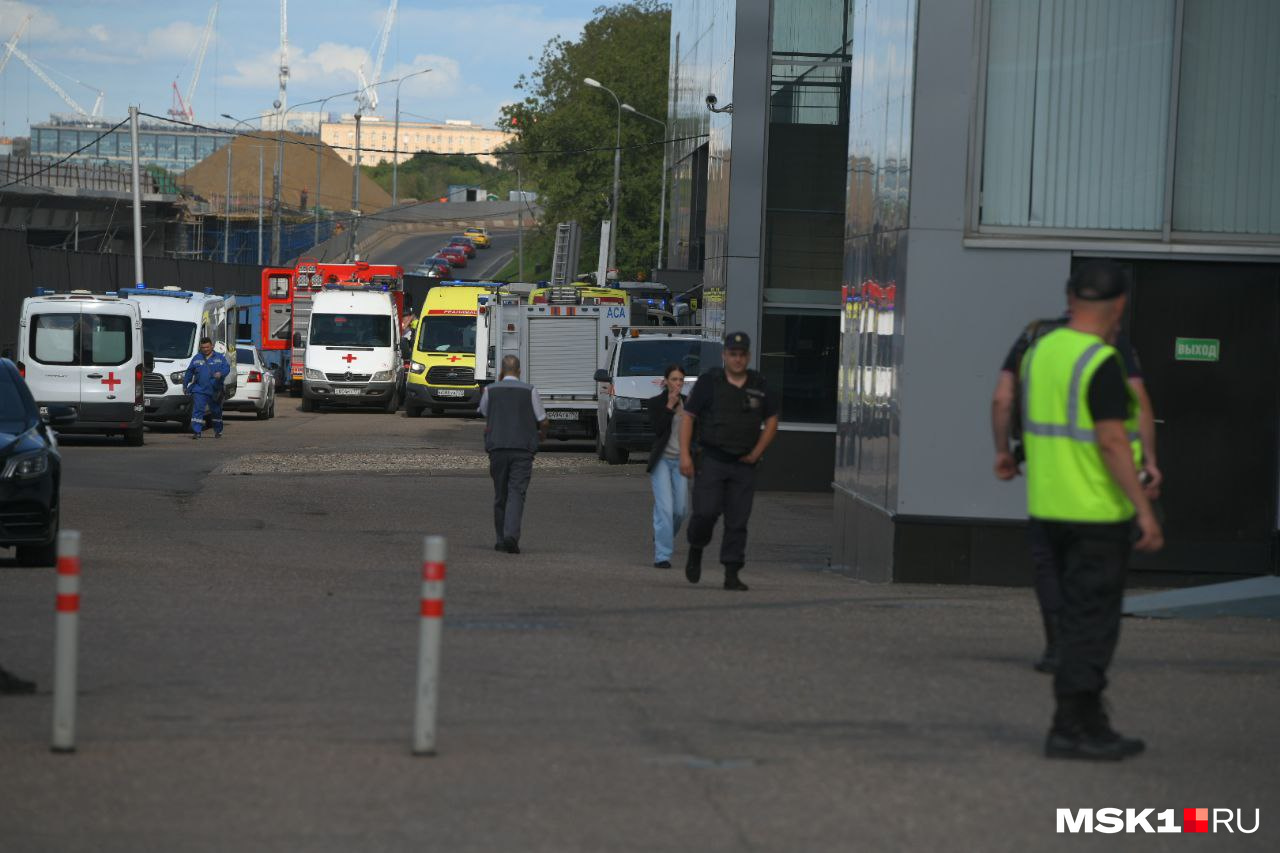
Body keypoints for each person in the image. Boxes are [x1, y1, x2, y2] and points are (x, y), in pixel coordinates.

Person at [1019, 260, 1163, 761]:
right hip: (1097, 514)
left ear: (1070, 297)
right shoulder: (1101, 362)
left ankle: (1087, 719)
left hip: (1047, 507)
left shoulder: (1040, 352)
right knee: (1092, 624)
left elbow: (1006, 407)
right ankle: (1073, 727)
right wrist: (1143, 509)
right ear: (1119, 305)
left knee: (1074, 618)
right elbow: (1110, 440)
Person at [993, 309, 1161, 674]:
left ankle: (1057, 647)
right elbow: (1139, 403)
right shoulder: (1111, 347)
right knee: (1094, 577)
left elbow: (1003, 399)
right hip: (1101, 489)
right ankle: (1083, 658)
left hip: (1047, 487)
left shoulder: (1034, 341)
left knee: (1049, 568)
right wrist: (1150, 461)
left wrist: (1004, 451)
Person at [679, 332, 780, 591]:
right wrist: (685, 455)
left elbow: (771, 421)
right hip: (712, 459)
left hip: (744, 464)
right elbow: (688, 417)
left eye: (742, 354)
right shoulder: (708, 382)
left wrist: (757, 452)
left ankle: (732, 572)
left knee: (738, 521)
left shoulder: (759, 384)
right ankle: (696, 548)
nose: (737, 359)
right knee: (705, 513)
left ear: (747, 356)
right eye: (732, 354)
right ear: (725, 355)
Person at [478, 355, 548, 554]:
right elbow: (542, 420)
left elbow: (483, 412)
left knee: (501, 494)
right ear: (519, 371)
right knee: (516, 493)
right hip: (522, 450)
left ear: (501, 370)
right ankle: (510, 536)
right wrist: (541, 436)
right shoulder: (530, 390)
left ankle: (501, 539)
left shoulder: (490, 390)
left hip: (497, 448)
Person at [646, 365, 689, 569]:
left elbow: (695, 433)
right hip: (662, 461)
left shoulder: (688, 404)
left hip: (681, 460)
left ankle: (663, 534)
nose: (678, 383)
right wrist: (669, 406)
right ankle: (662, 555)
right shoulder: (656, 403)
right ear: (666, 381)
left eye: (681, 380)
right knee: (664, 508)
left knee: (680, 510)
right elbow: (657, 429)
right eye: (674, 379)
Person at [183, 338, 231, 440]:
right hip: (199, 390)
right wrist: (185, 384)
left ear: (212, 346)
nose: (205, 349)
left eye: (207, 347)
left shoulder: (219, 357)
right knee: (197, 411)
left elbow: (227, 368)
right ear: (200, 347)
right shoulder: (197, 358)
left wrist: (221, 373)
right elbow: (189, 372)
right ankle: (197, 432)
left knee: (216, 411)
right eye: (203, 347)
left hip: (215, 390)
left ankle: (218, 431)